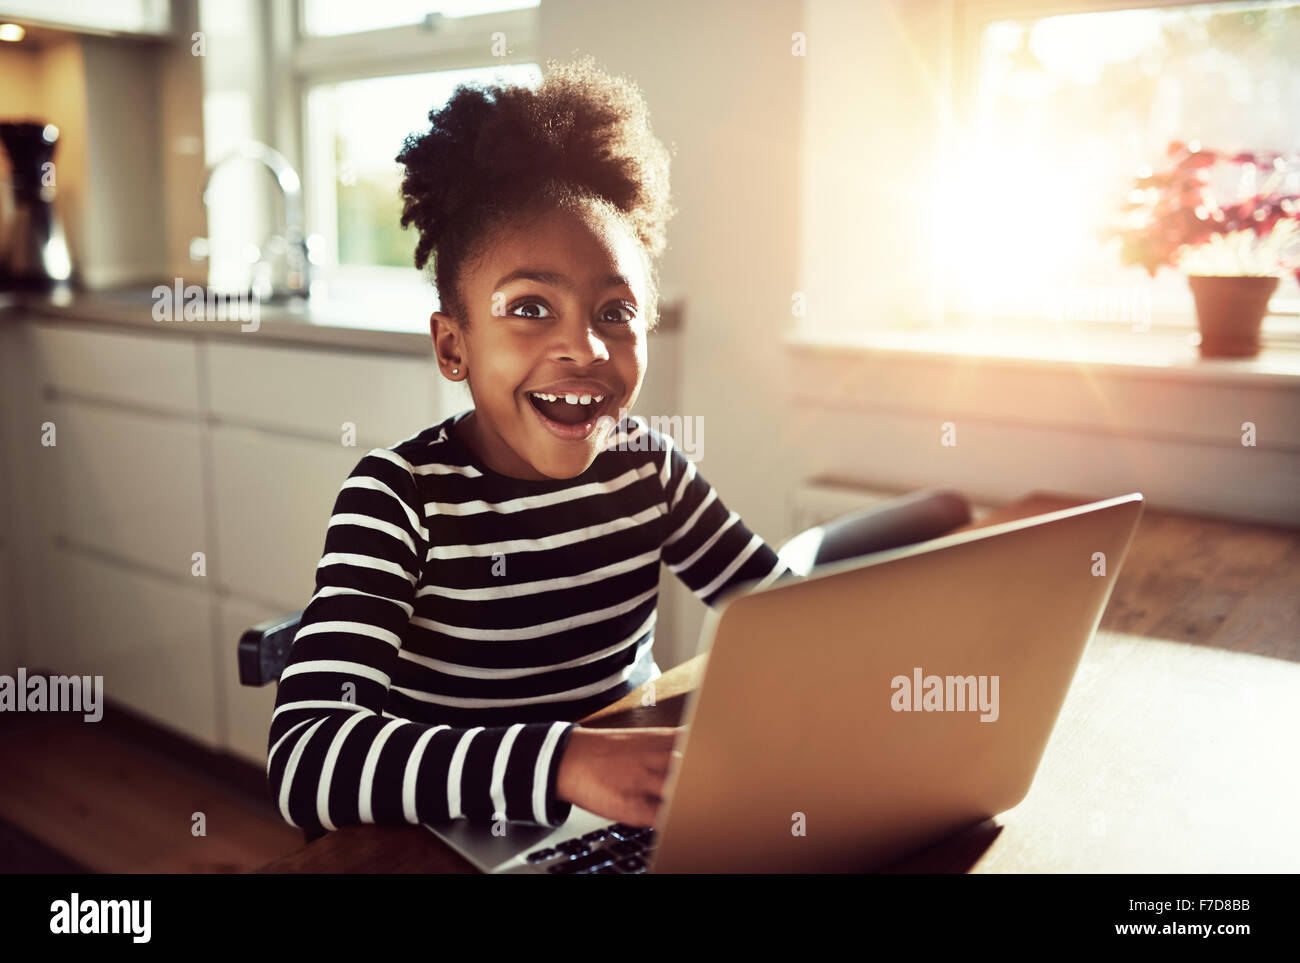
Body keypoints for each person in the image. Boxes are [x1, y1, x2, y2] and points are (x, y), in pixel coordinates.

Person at [266, 57, 797, 839]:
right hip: (454, 838)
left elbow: (785, 616)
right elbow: (306, 760)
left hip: (624, 827)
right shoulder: (397, 500)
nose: (583, 347)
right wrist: (561, 761)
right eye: (529, 306)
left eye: (616, 311)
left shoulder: (649, 469)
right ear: (454, 346)